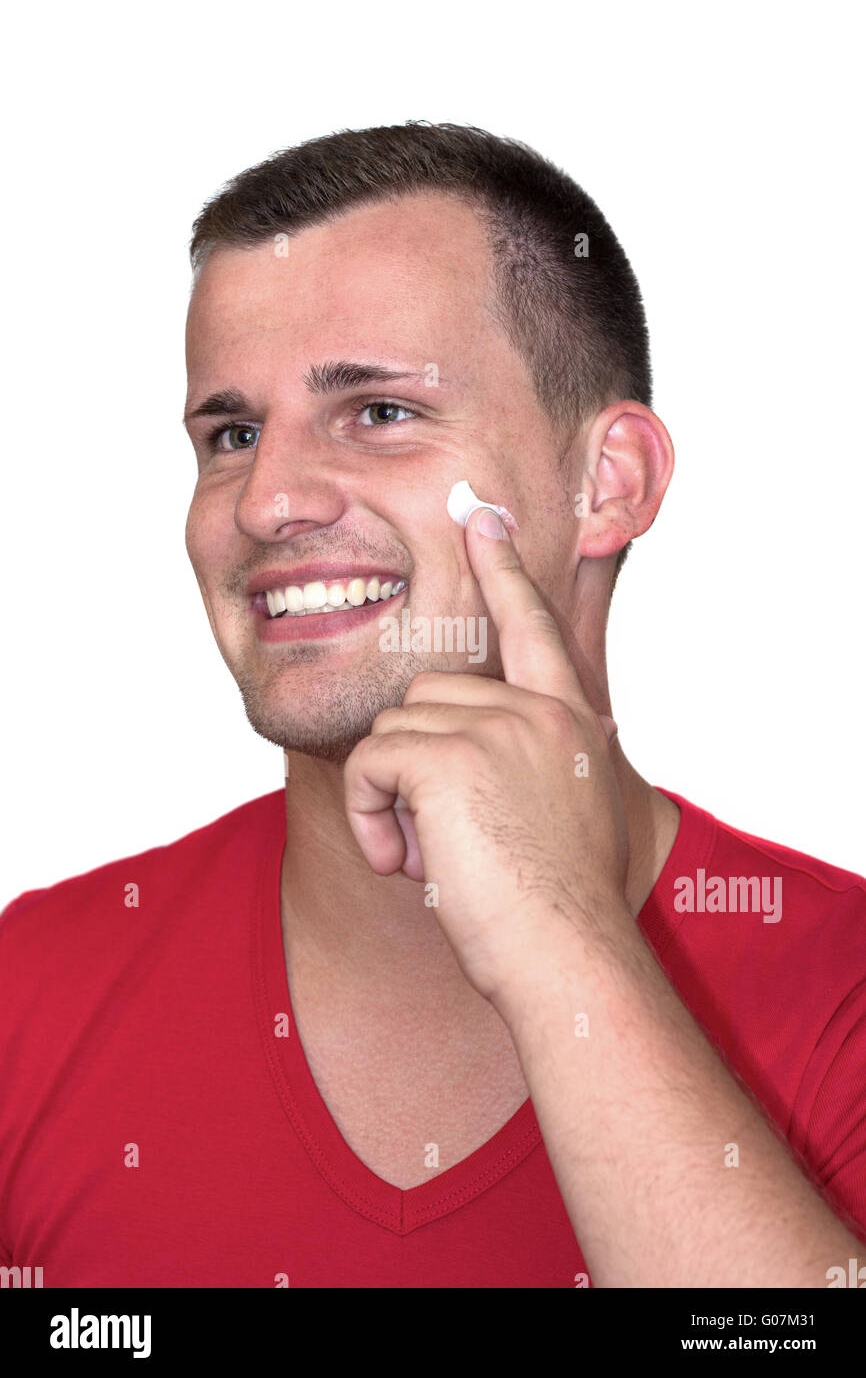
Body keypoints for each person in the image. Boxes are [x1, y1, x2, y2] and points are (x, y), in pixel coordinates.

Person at [2, 122, 864, 1290]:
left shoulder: (838, 987)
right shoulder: (30, 989)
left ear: (605, 481)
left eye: (379, 412)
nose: (268, 500)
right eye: (232, 433)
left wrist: (558, 939)